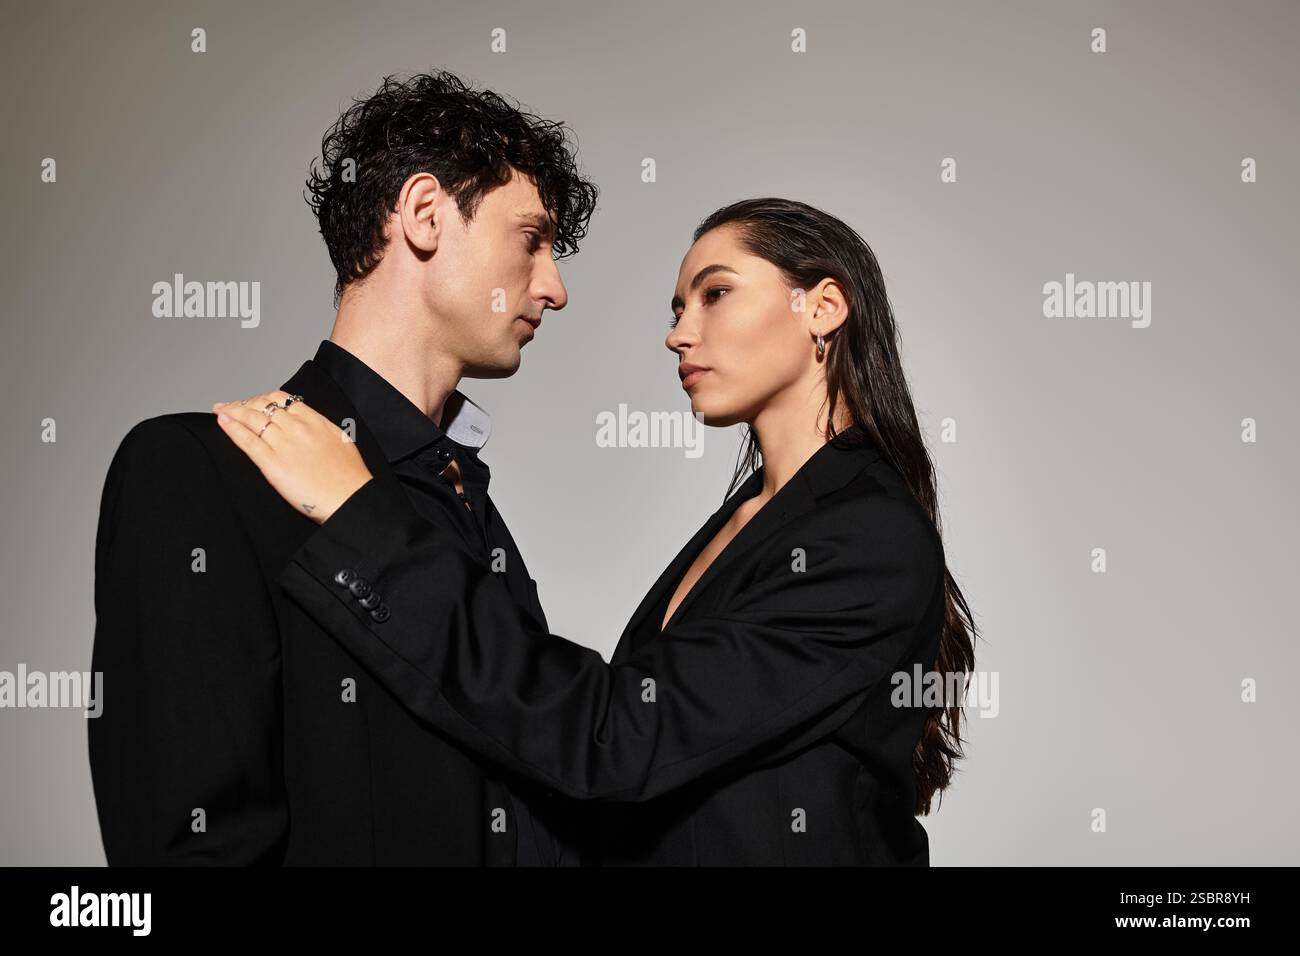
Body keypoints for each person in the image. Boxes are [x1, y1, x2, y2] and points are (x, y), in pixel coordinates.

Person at [213, 197, 980, 865]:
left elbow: (614, 737)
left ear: (823, 307)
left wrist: (362, 516)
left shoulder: (867, 534)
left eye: (714, 295)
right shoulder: (750, 516)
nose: (680, 334)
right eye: (678, 310)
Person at [88, 70, 599, 865]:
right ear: (425, 215)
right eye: (531, 240)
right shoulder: (196, 472)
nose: (555, 288)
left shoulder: (471, 501)